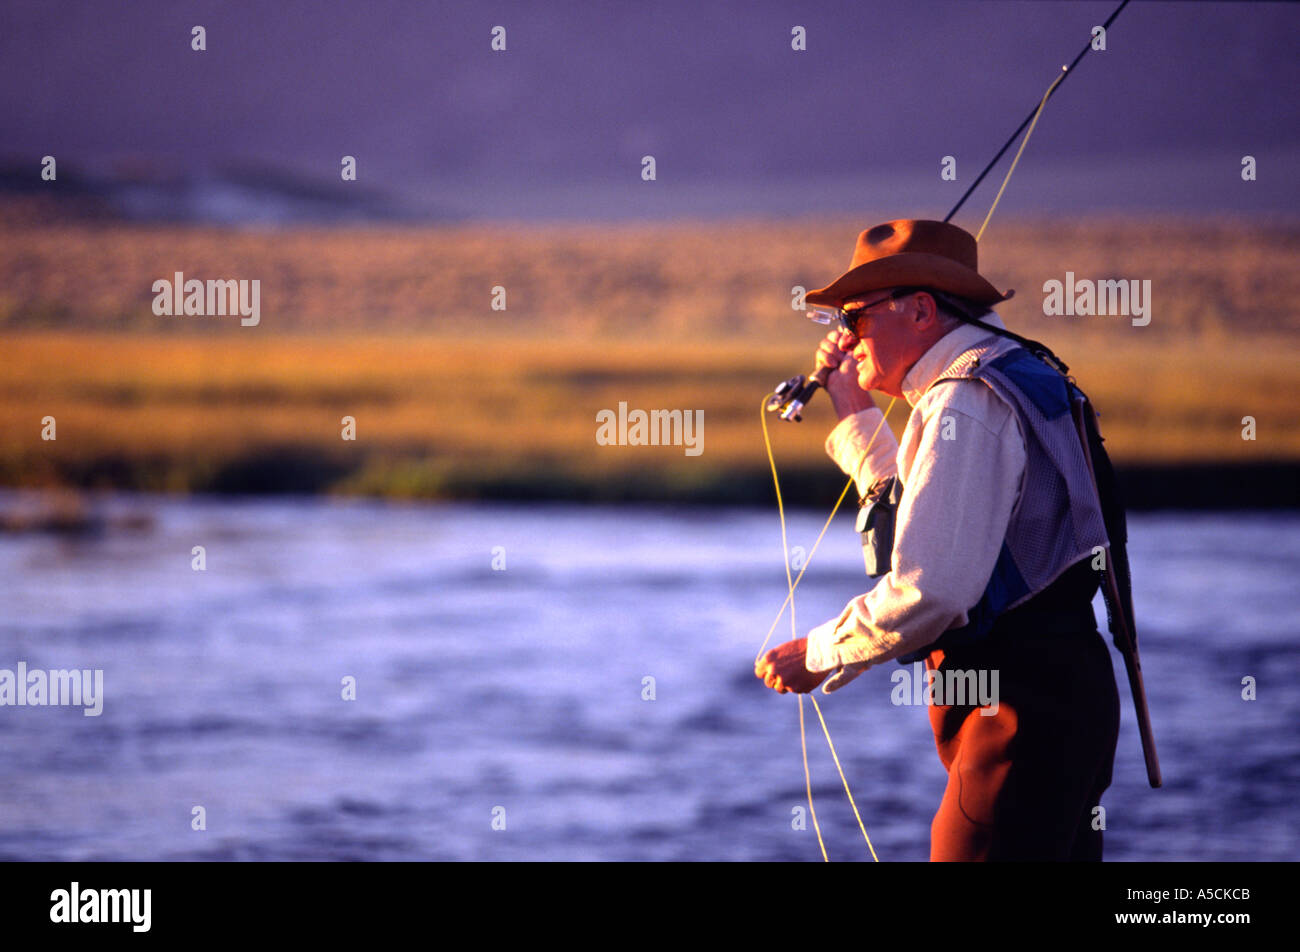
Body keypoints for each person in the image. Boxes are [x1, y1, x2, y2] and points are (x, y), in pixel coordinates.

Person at [754, 219, 1121, 861]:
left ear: (922, 310)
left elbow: (934, 590)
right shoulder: (1013, 374)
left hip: (1015, 711)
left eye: (857, 316)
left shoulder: (964, 400)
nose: (846, 336)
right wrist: (852, 405)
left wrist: (819, 652)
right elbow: (935, 513)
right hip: (1062, 702)